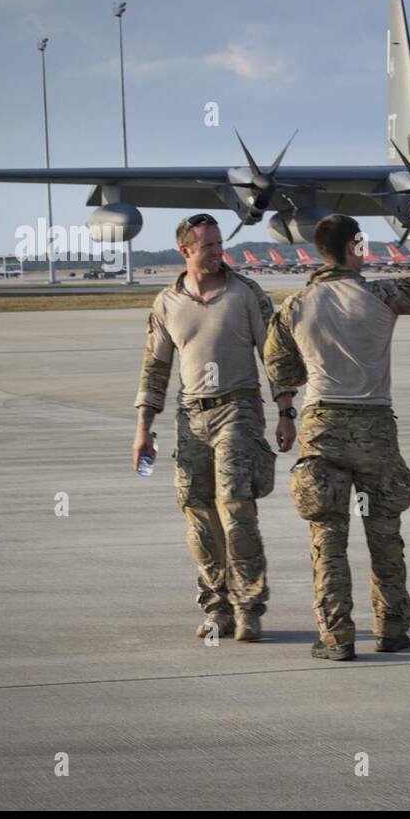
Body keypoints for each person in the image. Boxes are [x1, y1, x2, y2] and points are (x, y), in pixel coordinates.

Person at [264, 209, 410, 661]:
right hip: (375, 429)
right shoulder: (381, 296)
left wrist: (288, 410)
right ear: (355, 247)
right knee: (384, 531)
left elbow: (279, 366)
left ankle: (336, 637)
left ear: (319, 251)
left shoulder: (294, 307)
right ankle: (391, 627)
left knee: (328, 538)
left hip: (322, 428)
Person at [132, 213, 279, 642]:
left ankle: (248, 606)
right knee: (197, 510)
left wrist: (287, 409)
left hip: (239, 408)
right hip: (190, 415)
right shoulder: (166, 303)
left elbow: (273, 356)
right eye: (209, 246)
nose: (218, 252)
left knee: (235, 505)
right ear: (186, 251)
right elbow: (155, 368)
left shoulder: (246, 294)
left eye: (219, 244)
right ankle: (217, 605)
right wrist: (143, 427)